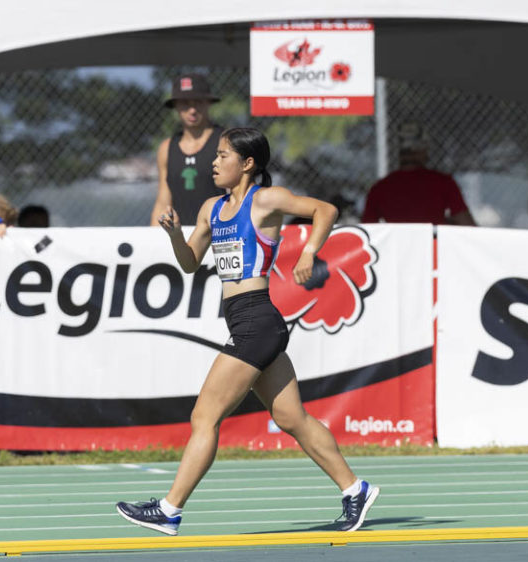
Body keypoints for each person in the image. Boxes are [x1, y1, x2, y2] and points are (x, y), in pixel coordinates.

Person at [116, 128, 379, 536]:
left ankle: (170, 509)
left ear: (248, 163)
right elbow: (189, 262)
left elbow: (325, 210)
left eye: (223, 156)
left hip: (257, 320)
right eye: (216, 156)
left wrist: (309, 251)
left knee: (204, 415)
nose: (214, 163)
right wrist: (173, 235)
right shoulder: (210, 209)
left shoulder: (266, 200)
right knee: (292, 418)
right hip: (246, 321)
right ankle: (355, 490)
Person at [362, 122, 476, 225]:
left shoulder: (380, 189)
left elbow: (369, 230)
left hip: (397, 247)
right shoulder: (443, 183)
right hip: (432, 246)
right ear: (422, 149)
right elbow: (466, 224)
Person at [150, 73, 224, 226]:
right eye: (185, 103)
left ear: (208, 103)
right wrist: (152, 240)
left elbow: (240, 198)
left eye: (198, 102)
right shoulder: (166, 148)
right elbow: (163, 203)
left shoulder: (225, 142)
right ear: (176, 106)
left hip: (220, 236)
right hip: (180, 240)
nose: (192, 110)